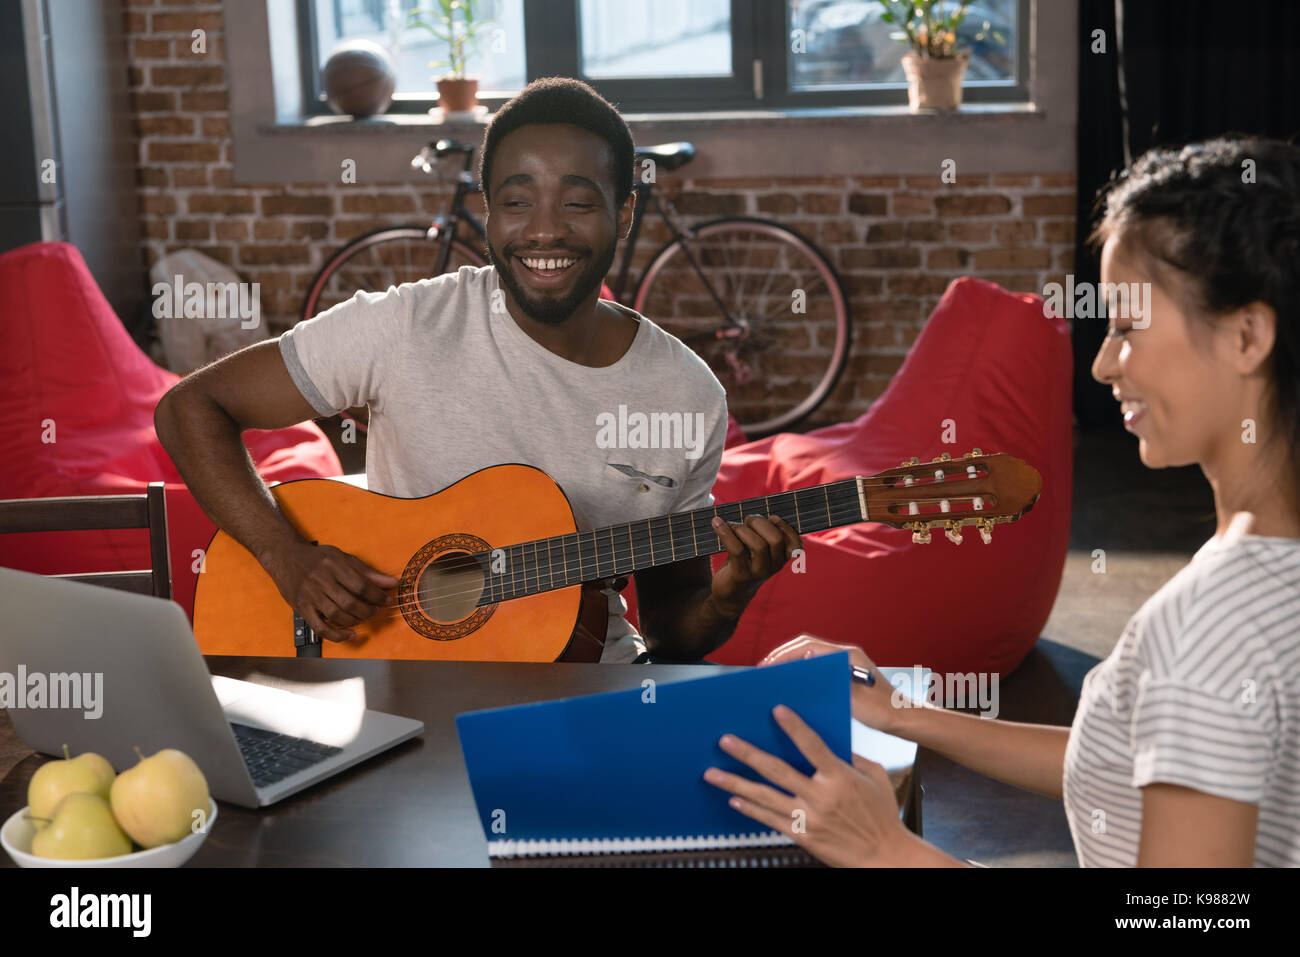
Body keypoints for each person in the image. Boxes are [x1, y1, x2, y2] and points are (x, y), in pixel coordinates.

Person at [705, 135, 1300, 866]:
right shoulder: (1263, 567)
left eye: (1127, 326)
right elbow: (1125, 766)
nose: (1104, 362)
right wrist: (904, 713)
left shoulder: (1209, 621)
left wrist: (887, 850)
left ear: (1247, 335)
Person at [155, 77, 801, 663]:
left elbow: (670, 630)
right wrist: (286, 557)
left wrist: (728, 596)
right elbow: (189, 408)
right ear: (489, 214)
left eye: (578, 203)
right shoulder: (408, 324)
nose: (545, 231)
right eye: (517, 202)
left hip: (585, 681)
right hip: (400, 678)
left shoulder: (684, 393)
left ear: (624, 213)